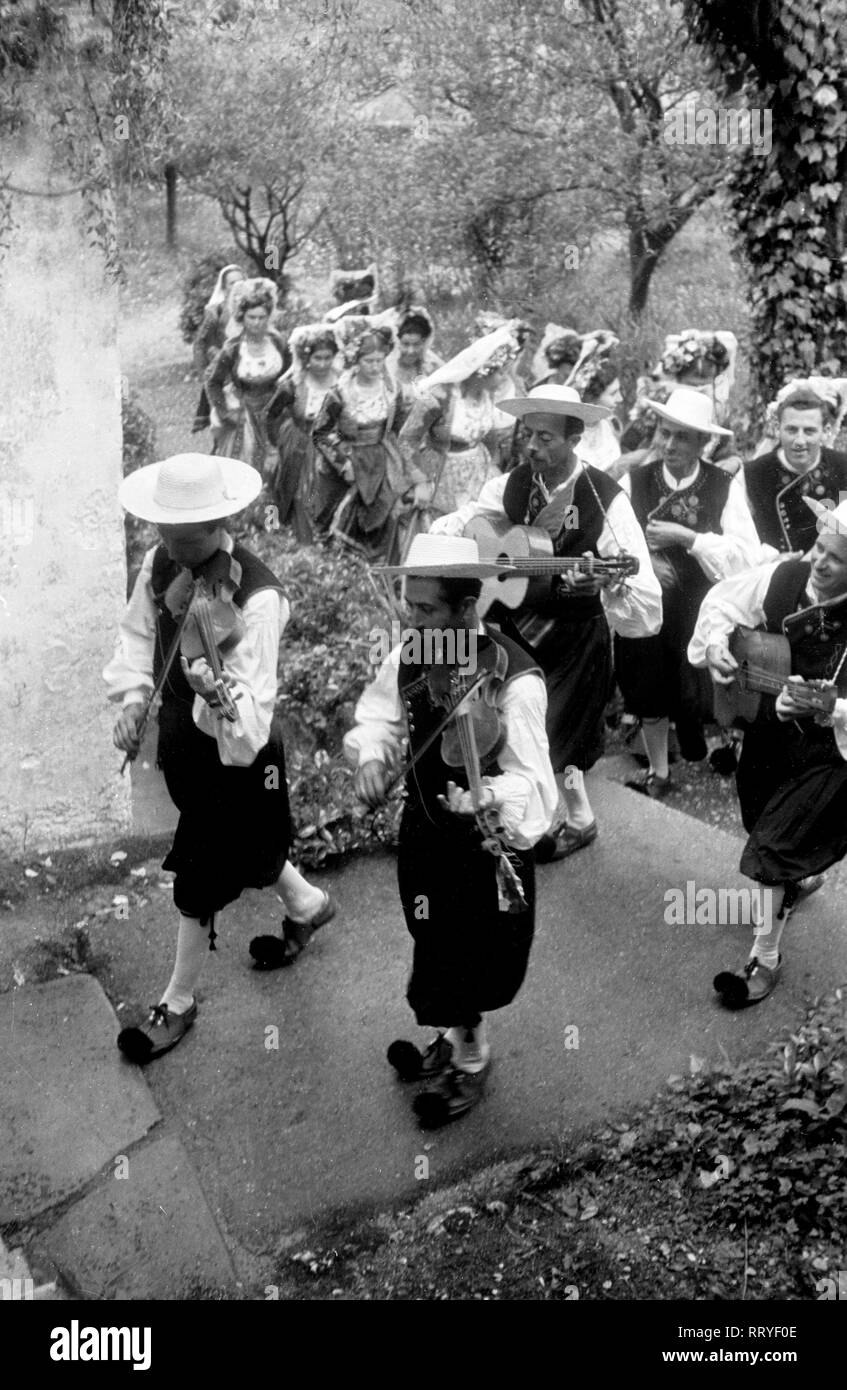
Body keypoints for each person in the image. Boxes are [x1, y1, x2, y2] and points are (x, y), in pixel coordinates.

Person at [105, 453, 336, 1064]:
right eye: (166, 534)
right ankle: (309, 905)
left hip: (240, 750)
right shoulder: (161, 564)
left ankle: (177, 1002)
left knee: (200, 867)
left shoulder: (258, 598)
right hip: (185, 740)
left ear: (221, 522)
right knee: (252, 847)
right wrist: (133, 701)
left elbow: (251, 716)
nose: (174, 550)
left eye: (188, 538)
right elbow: (137, 634)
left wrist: (217, 696)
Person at [344, 533, 558, 1126]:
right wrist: (370, 759)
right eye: (409, 606)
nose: (412, 621)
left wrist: (485, 795)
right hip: (426, 826)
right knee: (430, 932)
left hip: (488, 843)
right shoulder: (413, 652)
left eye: (427, 609)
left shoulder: (516, 681)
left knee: (471, 946)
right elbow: (380, 716)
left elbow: (537, 787)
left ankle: (469, 1058)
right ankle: (450, 1037)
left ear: (467, 609)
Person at [430, 384, 662, 860]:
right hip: (517, 627)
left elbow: (642, 591)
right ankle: (550, 815)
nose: (532, 447)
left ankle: (565, 819)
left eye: (546, 438)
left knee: (556, 737)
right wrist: (447, 540)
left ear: (575, 439)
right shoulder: (511, 484)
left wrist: (604, 584)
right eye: (528, 435)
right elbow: (474, 520)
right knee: (518, 728)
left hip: (575, 637)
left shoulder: (606, 500)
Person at [689, 495, 847, 1006]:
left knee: (773, 846)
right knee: (758, 820)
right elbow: (721, 602)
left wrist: (832, 709)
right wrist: (716, 645)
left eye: (837, 558)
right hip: (769, 729)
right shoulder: (785, 576)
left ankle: (764, 959)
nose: (820, 563)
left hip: (833, 752)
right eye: (820, 549)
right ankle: (793, 883)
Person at [616, 387, 761, 797]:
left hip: (700, 605)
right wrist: (645, 561)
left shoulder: (721, 486)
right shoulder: (637, 479)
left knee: (694, 684)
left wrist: (689, 538)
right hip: (647, 604)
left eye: (682, 437)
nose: (669, 445)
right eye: (665, 433)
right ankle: (660, 773)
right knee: (646, 683)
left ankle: (708, 745)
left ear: (704, 442)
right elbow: (613, 536)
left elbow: (744, 556)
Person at [311, 317, 427, 560]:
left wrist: (407, 468)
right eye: (368, 361)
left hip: (380, 459)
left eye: (380, 361)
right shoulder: (340, 393)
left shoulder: (392, 389)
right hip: (350, 461)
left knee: (384, 515)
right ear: (355, 361)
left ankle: (380, 568)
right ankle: (343, 569)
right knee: (342, 517)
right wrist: (343, 463)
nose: (375, 367)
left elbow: (397, 429)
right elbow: (321, 432)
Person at [398, 324, 522, 518]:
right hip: (439, 476)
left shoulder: (487, 396)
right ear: (485, 370)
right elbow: (406, 439)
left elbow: (488, 437)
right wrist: (419, 481)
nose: (504, 379)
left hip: (476, 476)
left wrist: (491, 466)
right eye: (501, 373)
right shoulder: (440, 396)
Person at [738, 385, 847, 561]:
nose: (799, 441)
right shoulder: (752, 473)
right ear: (778, 428)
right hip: (773, 573)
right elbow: (739, 537)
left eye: (809, 431)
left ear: (825, 432)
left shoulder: (843, 467)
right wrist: (769, 558)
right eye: (791, 430)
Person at [205, 278, 290, 474]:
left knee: (282, 466)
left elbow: (289, 374)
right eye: (252, 317)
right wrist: (226, 413)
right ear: (242, 317)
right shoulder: (233, 348)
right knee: (247, 467)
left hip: (275, 411)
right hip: (245, 412)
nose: (257, 323)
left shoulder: (277, 342)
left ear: (269, 316)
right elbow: (213, 382)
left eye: (262, 317)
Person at [265, 323, 340, 544]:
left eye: (328, 358)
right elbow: (271, 414)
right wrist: (274, 444)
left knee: (327, 494)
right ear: (306, 358)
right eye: (318, 358)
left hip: (332, 445)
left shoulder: (341, 381)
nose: (324, 364)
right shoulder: (293, 386)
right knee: (302, 494)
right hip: (301, 445)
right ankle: (303, 541)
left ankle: (328, 540)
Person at [191, 263, 244, 434]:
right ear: (224, 286)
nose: (237, 286)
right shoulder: (216, 312)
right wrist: (204, 371)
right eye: (232, 283)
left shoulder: (255, 309)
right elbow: (200, 342)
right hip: (226, 371)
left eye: (241, 281)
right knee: (226, 423)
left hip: (250, 366)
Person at [386, 305, 443, 431]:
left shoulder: (431, 368)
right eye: (405, 344)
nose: (410, 351)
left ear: (424, 343)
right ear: (397, 342)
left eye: (416, 344)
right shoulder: (386, 368)